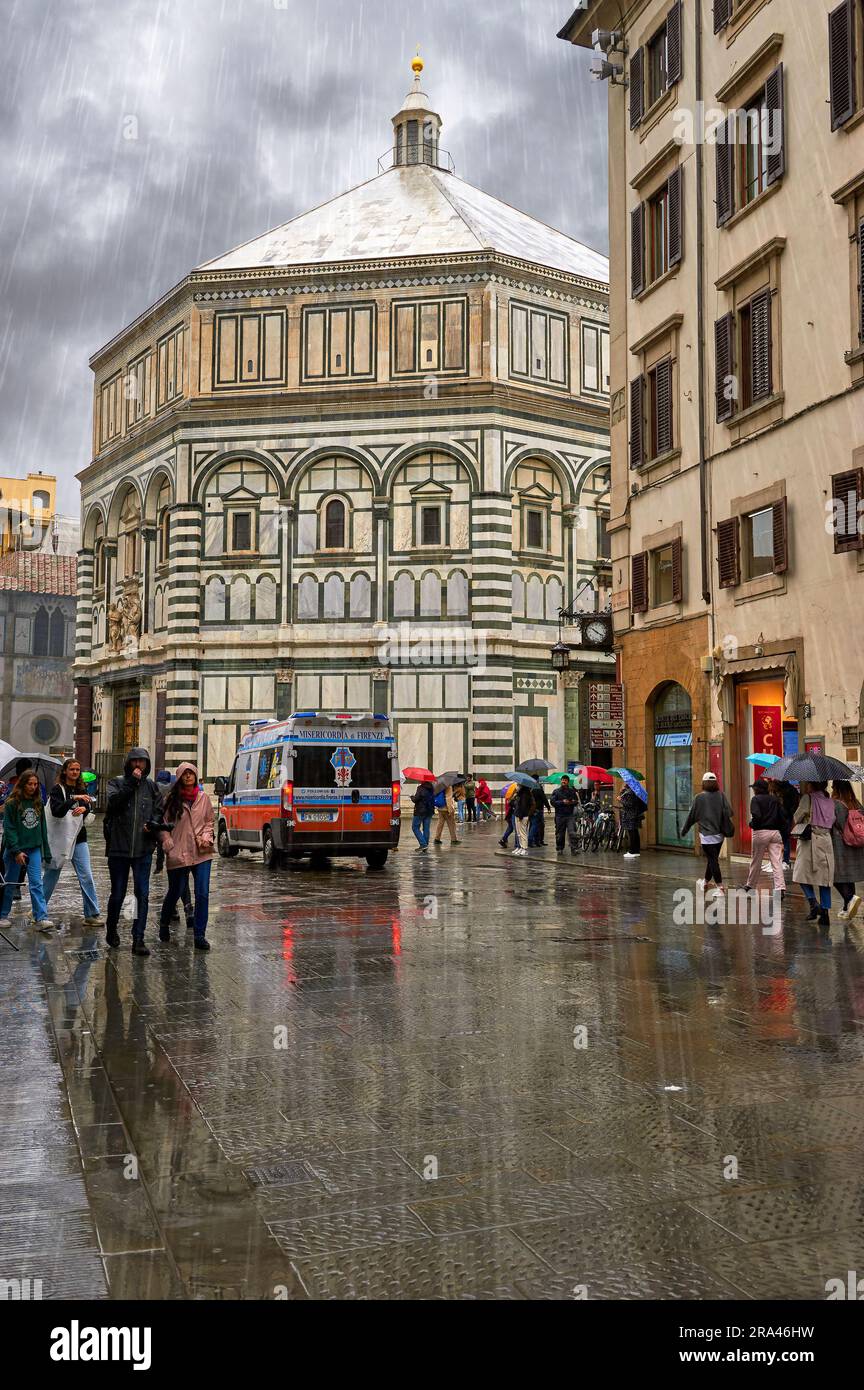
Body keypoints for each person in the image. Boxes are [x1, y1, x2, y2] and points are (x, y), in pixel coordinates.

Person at [104, 747, 162, 956]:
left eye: (142, 762)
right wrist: (130, 784)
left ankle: (138, 938)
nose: (139, 765)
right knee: (118, 894)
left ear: (147, 764)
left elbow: (158, 811)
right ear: (128, 763)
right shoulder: (116, 783)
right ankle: (111, 930)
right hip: (119, 848)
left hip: (143, 849)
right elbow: (113, 805)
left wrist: (153, 825)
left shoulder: (152, 787)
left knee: (142, 894)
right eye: (135, 761)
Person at [157, 762, 215, 950]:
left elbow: (209, 821)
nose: (188, 776)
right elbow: (163, 824)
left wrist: (206, 836)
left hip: (201, 851)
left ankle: (200, 934)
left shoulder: (204, 798)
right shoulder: (171, 800)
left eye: (191, 773)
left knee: (202, 894)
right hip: (179, 851)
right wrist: (167, 840)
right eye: (185, 774)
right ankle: (164, 923)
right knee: (175, 891)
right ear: (180, 777)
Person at [41, 758, 102, 924]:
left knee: (86, 876)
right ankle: (38, 911)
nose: (75, 772)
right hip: (61, 839)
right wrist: (73, 799)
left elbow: (87, 807)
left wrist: (85, 807)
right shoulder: (57, 790)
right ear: (65, 771)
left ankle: (91, 914)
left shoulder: (82, 788)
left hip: (79, 837)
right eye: (72, 769)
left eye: (77, 769)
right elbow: (57, 812)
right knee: (51, 875)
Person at [0, 771, 53, 929]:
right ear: (23, 784)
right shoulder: (12, 803)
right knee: (10, 882)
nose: (33, 787)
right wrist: (16, 851)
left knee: (36, 883)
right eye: (30, 784)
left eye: (35, 784)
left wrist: (46, 850)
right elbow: (9, 828)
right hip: (14, 850)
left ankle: (40, 917)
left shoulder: (38, 802)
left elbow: (43, 828)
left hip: (34, 848)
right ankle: (2, 914)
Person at [680, 772, 734, 898]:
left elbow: (691, 816)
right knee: (712, 860)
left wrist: (684, 830)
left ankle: (720, 887)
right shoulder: (721, 795)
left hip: (706, 836)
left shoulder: (699, 797)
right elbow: (730, 812)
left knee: (713, 860)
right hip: (720, 835)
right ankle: (705, 882)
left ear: (703, 783)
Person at [792, 780, 835, 926]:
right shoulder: (830, 800)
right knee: (825, 879)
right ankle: (825, 913)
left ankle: (813, 902)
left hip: (810, 841)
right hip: (826, 840)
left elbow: (797, 817)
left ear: (812, 784)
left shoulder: (807, 798)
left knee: (800, 874)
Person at [154, 769, 193, 927]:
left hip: (167, 836)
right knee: (182, 879)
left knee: (176, 879)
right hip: (178, 840)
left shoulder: (159, 790)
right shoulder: (173, 793)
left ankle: (174, 910)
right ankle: (186, 908)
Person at [745, 777, 788, 896]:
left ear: (757, 789)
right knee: (776, 862)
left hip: (761, 832)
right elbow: (783, 817)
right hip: (775, 833)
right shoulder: (774, 800)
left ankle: (750, 886)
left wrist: (751, 824)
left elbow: (756, 816)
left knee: (756, 861)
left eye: (754, 788)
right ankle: (780, 889)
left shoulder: (755, 800)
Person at [831, 780, 864, 921]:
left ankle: (850, 899)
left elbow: (835, 822)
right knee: (848, 877)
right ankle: (846, 907)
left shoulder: (836, 804)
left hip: (841, 842)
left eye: (833, 787)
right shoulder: (856, 802)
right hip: (857, 842)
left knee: (834, 876)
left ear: (837, 788)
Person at [771, 779, 799, 870]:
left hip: (784, 816)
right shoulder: (791, 790)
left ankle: (784, 860)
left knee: (784, 838)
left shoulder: (783, 791)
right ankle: (784, 860)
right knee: (785, 838)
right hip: (787, 816)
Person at [550, 776, 580, 854]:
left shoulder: (572, 791)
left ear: (568, 782)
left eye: (565, 780)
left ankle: (574, 848)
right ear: (561, 781)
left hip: (570, 815)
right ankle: (559, 848)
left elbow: (576, 801)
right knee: (560, 834)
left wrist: (571, 802)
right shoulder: (556, 791)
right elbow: (553, 802)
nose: (563, 781)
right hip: (559, 816)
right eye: (562, 780)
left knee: (572, 832)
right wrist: (562, 802)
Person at [618, 786, 645, 860]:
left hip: (631, 815)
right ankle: (636, 850)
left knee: (632, 833)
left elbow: (629, 804)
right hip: (634, 815)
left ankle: (632, 851)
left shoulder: (630, 792)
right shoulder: (634, 790)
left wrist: (620, 800)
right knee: (635, 832)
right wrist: (622, 792)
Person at [410, 779, 435, 851]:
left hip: (420, 811)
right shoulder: (432, 788)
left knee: (415, 827)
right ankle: (425, 845)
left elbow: (416, 799)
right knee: (426, 828)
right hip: (429, 811)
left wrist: (412, 797)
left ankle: (423, 844)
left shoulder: (420, 788)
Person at [511, 782, 534, 856]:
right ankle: (521, 847)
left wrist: (520, 815)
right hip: (517, 814)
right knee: (518, 833)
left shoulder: (525, 794)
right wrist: (514, 797)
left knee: (523, 833)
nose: (517, 787)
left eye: (518, 785)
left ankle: (524, 848)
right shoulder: (519, 794)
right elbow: (514, 804)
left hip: (522, 816)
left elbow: (524, 806)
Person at [528, 783, 549, 847]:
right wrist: (548, 807)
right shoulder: (538, 789)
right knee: (536, 826)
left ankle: (536, 841)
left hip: (531, 811)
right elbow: (544, 798)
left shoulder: (530, 789)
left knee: (534, 826)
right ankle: (531, 841)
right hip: (538, 810)